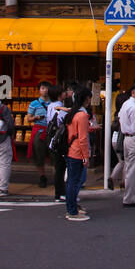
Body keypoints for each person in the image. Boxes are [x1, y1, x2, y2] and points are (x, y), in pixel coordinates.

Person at [63, 88, 92, 221]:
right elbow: (83, 138)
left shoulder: (72, 114)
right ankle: (72, 211)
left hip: (70, 150)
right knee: (74, 183)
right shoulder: (82, 116)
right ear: (86, 98)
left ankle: (72, 209)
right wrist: (86, 156)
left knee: (71, 182)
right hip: (77, 152)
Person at [26, 81, 53, 189]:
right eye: (42, 88)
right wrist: (36, 118)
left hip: (51, 132)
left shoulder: (54, 103)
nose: (45, 90)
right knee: (39, 155)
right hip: (39, 132)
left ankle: (58, 177)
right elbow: (28, 118)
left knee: (54, 155)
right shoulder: (34, 103)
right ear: (39, 90)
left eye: (46, 88)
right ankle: (42, 177)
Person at [47, 87, 71, 203]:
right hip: (60, 139)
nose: (65, 93)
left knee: (58, 167)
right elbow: (62, 122)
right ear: (59, 95)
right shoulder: (60, 107)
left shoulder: (50, 106)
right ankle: (61, 193)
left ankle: (58, 194)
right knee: (62, 167)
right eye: (63, 92)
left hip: (52, 139)